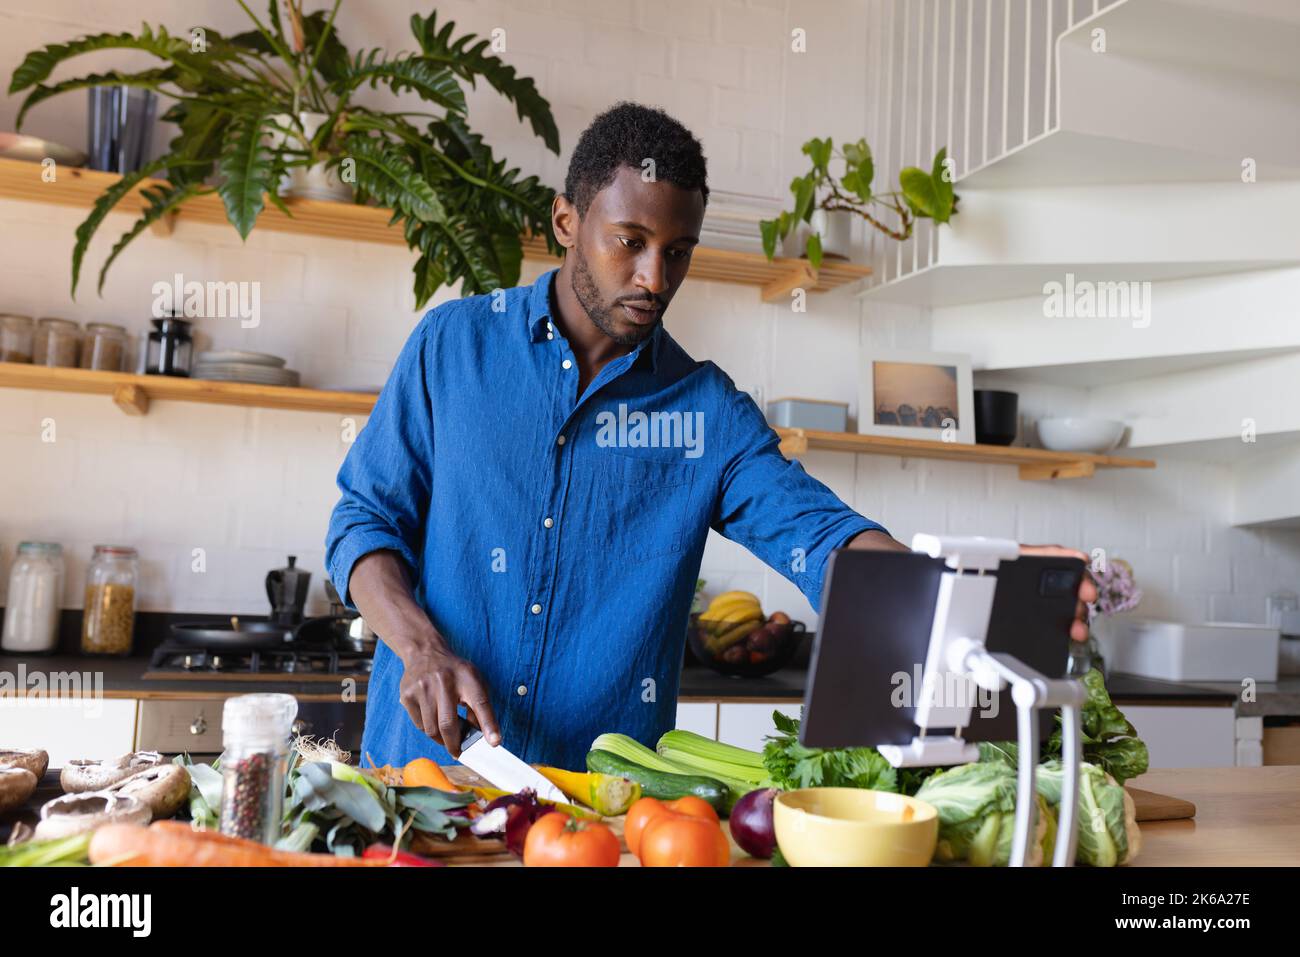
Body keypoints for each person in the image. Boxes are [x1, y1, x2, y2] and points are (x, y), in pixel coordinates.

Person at [324, 102, 1095, 771]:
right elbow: (363, 521)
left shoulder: (709, 413)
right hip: (424, 786)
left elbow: (823, 540)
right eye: (629, 240)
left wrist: (980, 588)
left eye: (678, 251)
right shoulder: (452, 346)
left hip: (604, 816)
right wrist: (419, 645)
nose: (655, 278)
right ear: (567, 220)